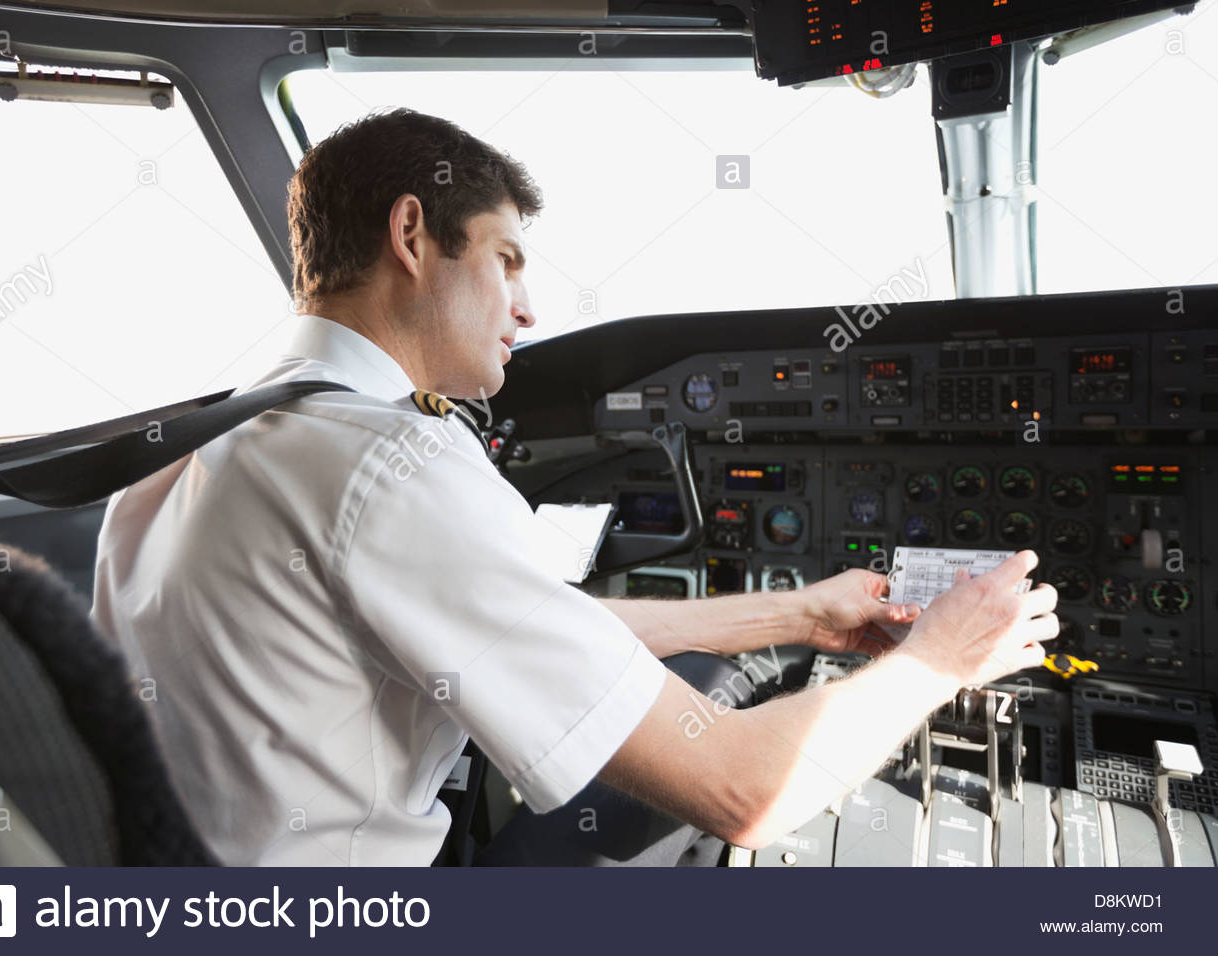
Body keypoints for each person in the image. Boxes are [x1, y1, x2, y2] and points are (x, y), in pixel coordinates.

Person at [90, 107, 1059, 866]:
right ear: (412, 234)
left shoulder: (192, 440)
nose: (526, 305)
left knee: (689, 683)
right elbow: (745, 793)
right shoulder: (395, 464)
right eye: (506, 260)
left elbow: (536, 627)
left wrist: (798, 614)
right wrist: (941, 659)